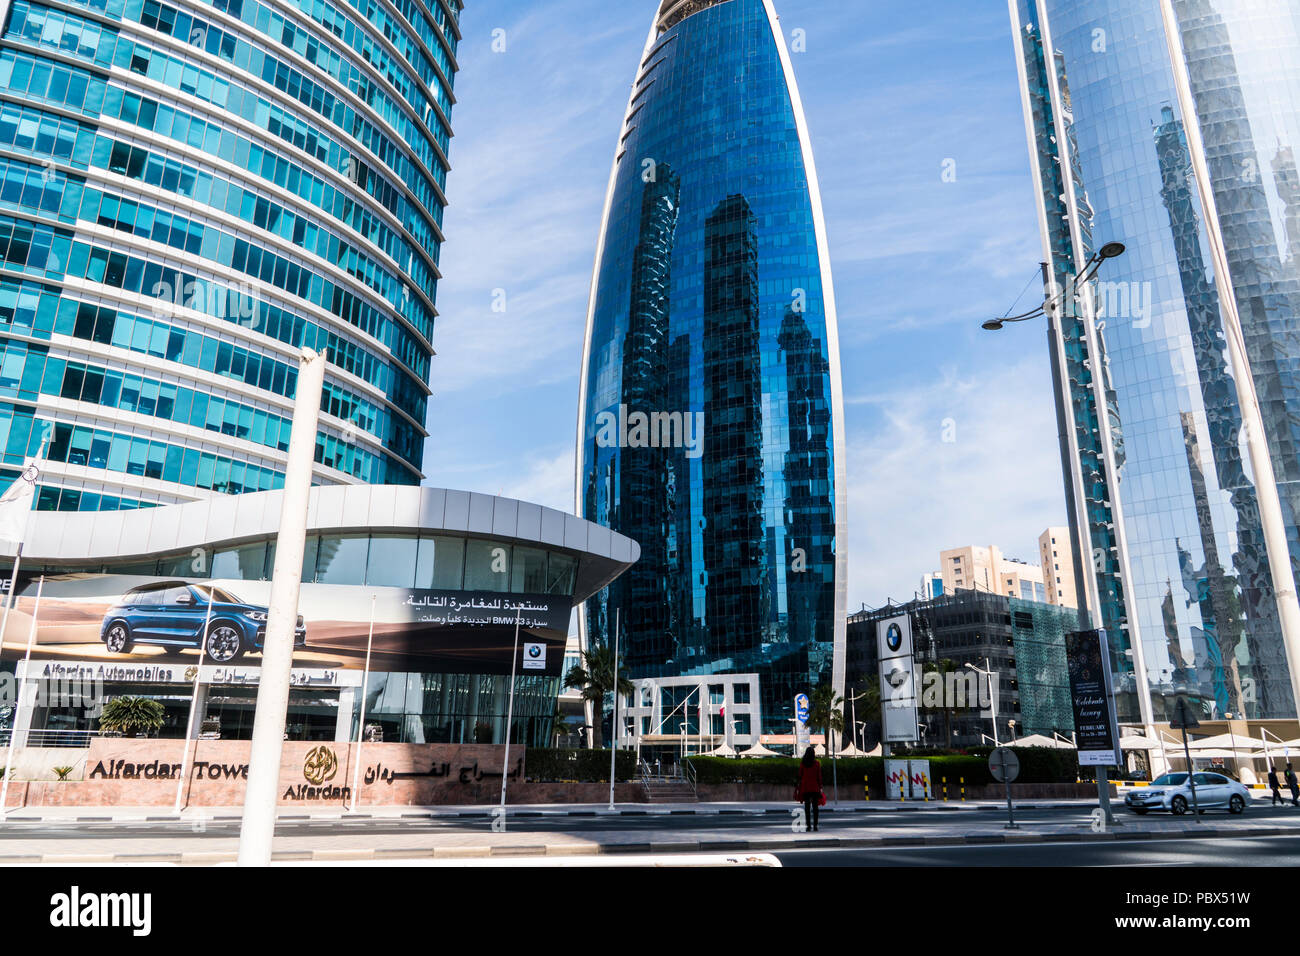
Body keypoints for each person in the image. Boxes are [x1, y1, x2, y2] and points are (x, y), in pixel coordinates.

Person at [795, 746, 824, 832]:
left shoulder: (803, 763)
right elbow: (819, 777)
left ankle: (808, 826)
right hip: (815, 788)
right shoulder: (817, 764)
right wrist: (821, 787)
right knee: (815, 808)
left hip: (805, 788)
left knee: (807, 808)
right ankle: (815, 826)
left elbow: (800, 775)